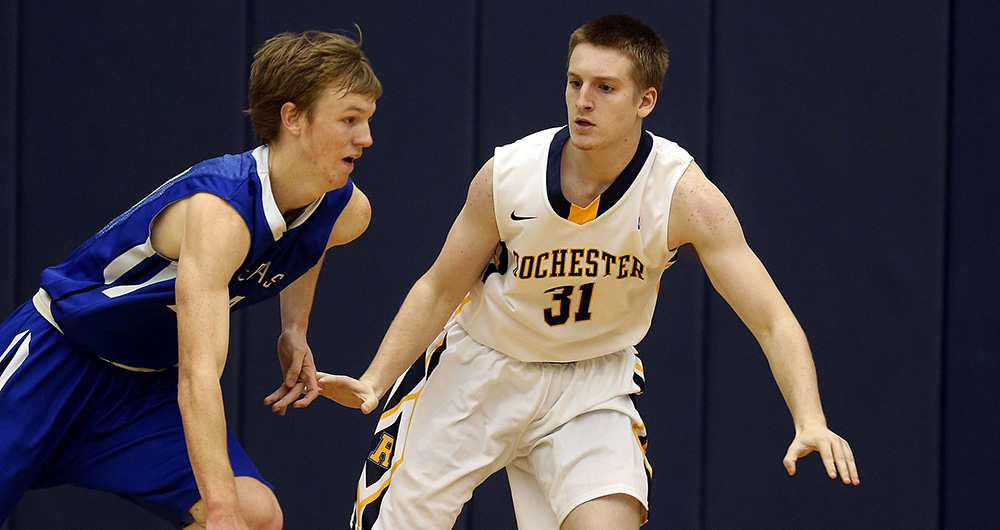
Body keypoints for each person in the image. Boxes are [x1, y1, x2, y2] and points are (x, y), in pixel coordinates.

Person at [319, 14, 859, 530]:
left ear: (646, 100)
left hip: (590, 383)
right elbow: (439, 287)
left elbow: (771, 318)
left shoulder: (684, 197)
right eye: (575, 82)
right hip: (480, 367)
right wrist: (375, 378)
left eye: (605, 87)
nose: (583, 100)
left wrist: (810, 418)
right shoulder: (509, 175)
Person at [0, 30, 379, 529]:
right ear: (293, 119)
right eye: (349, 119)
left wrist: (294, 329)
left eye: (368, 120)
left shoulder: (346, 210)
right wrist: (219, 512)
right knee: (227, 514)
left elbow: (311, 243)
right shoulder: (221, 210)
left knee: (257, 516)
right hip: (56, 357)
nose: (366, 138)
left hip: (141, 391)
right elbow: (199, 373)